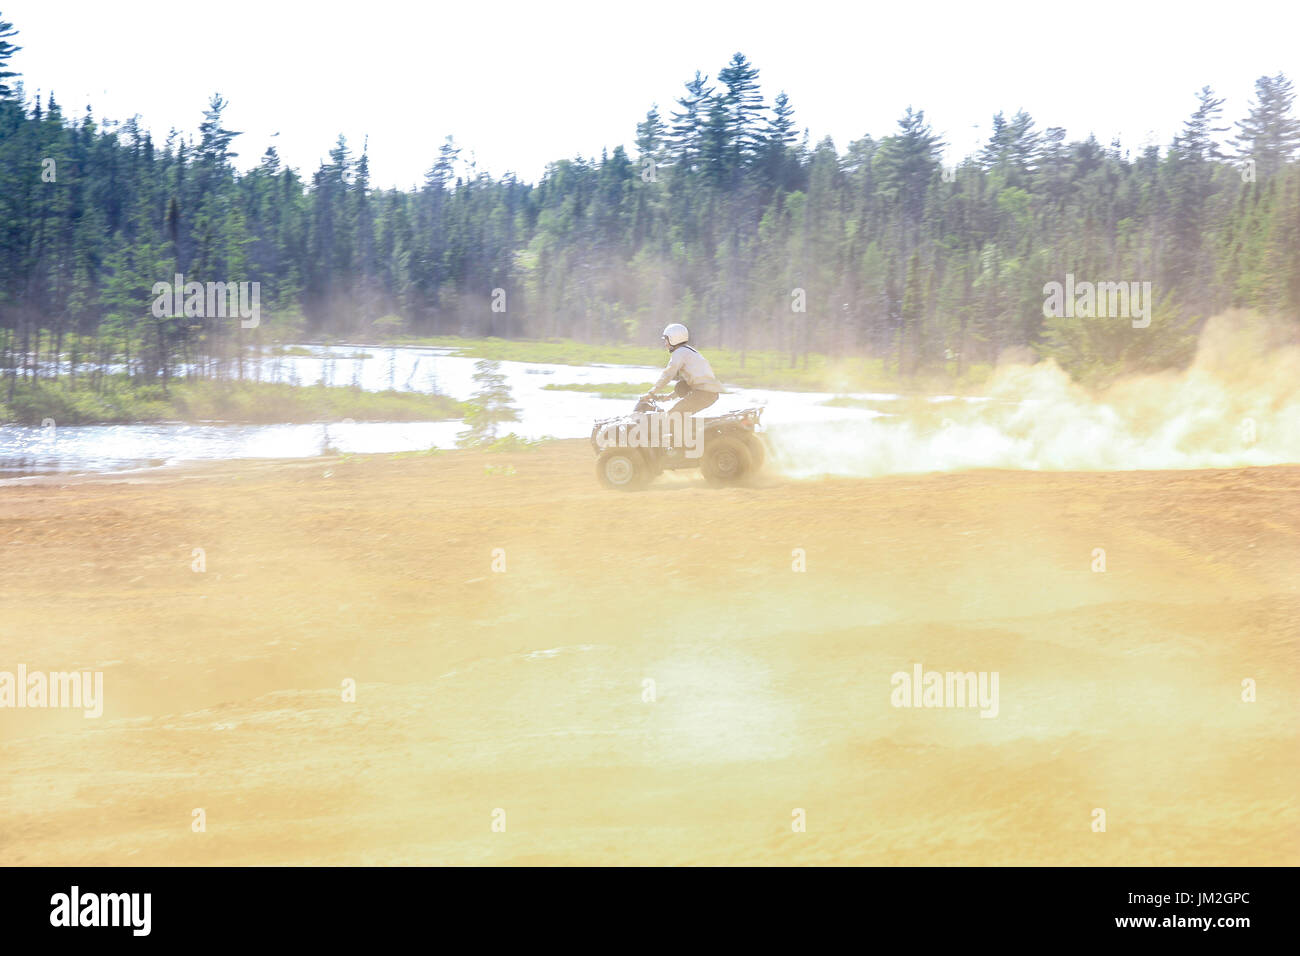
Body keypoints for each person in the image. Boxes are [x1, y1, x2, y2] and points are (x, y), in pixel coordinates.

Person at [645, 323, 723, 417]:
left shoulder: (679, 353)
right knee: (680, 389)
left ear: (673, 339)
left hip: (703, 394)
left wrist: (651, 392)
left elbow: (667, 375)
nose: (665, 343)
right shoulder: (689, 351)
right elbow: (686, 384)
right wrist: (669, 397)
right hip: (709, 394)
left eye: (666, 340)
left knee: (672, 416)